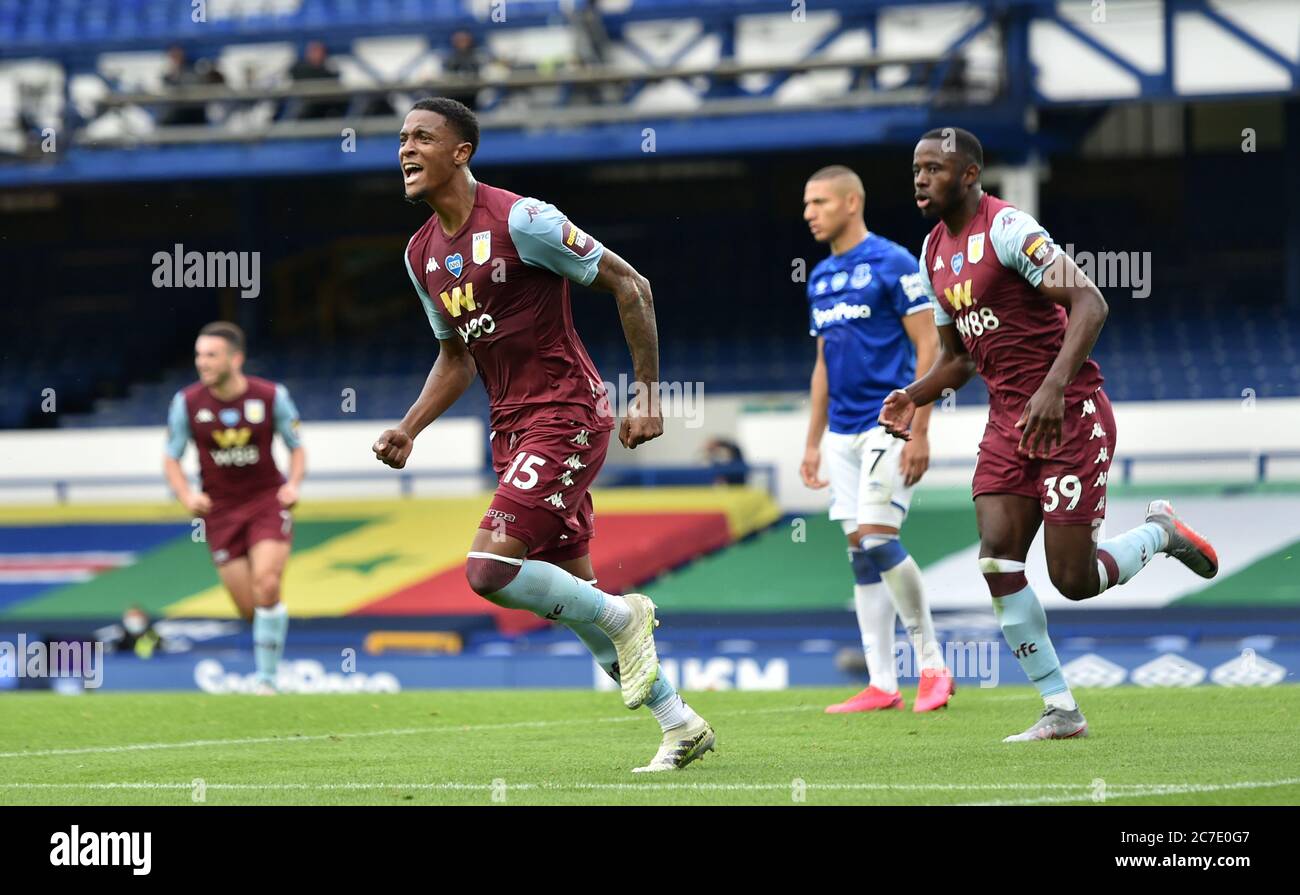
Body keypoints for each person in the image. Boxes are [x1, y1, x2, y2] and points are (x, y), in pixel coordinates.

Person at [375, 97, 714, 771]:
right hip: (513, 429)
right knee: (578, 609)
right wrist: (410, 428)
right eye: (401, 138)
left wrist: (645, 393)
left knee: (490, 569)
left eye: (421, 138)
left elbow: (632, 285)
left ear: (460, 152)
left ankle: (628, 614)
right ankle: (680, 724)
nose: (405, 150)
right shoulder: (420, 254)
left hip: (566, 414)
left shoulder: (522, 219)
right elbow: (456, 356)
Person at [881, 127, 1219, 741]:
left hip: (1070, 415)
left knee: (1074, 579)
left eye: (934, 168)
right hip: (1008, 424)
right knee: (997, 557)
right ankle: (1060, 710)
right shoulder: (932, 252)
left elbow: (1091, 302)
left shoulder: (1009, 229)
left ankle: (1160, 532)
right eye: (915, 169)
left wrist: (1054, 386)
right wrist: (914, 394)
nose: (921, 179)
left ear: (969, 175)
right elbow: (957, 358)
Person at [799, 165, 954, 714]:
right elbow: (823, 366)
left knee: (877, 537)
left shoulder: (892, 262)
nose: (809, 212)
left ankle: (933, 667)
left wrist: (919, 427)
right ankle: (883, 683)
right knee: (859, 555)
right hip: (840, 433)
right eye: (806, 204)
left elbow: (929, 346)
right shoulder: (819, 277)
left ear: (850, 202)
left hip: (887, 423)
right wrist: (813, 441)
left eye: (818, 202)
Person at [163, 322, 305, 695]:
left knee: (267, 584)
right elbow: (171, 458)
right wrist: (186, 496)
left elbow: (297, 446)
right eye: (198, 355)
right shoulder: (186, 403)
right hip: (220, 512)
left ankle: (267, 681)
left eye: (210, 355)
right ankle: (270, 658)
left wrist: (292, 485)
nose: (202, 362)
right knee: (249, 608)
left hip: (266, 502)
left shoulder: (272, 396)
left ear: (235, 358)